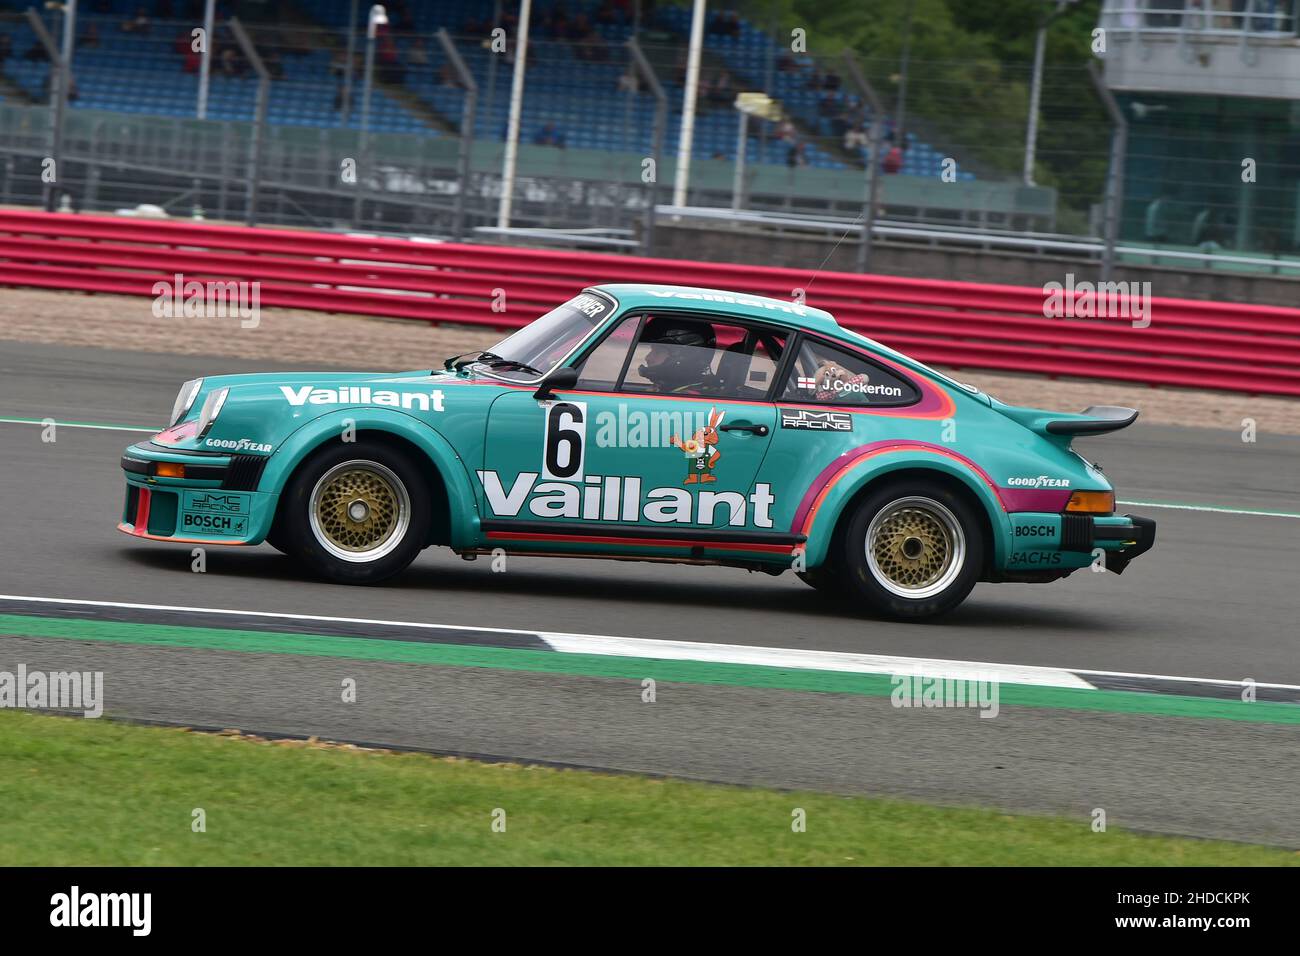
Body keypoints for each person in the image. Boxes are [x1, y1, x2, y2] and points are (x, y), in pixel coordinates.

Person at [637, 317, 718, 394]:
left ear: (685, 357)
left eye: (658, 352)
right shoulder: (667, 389)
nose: (648, 358)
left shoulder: (688, 399)